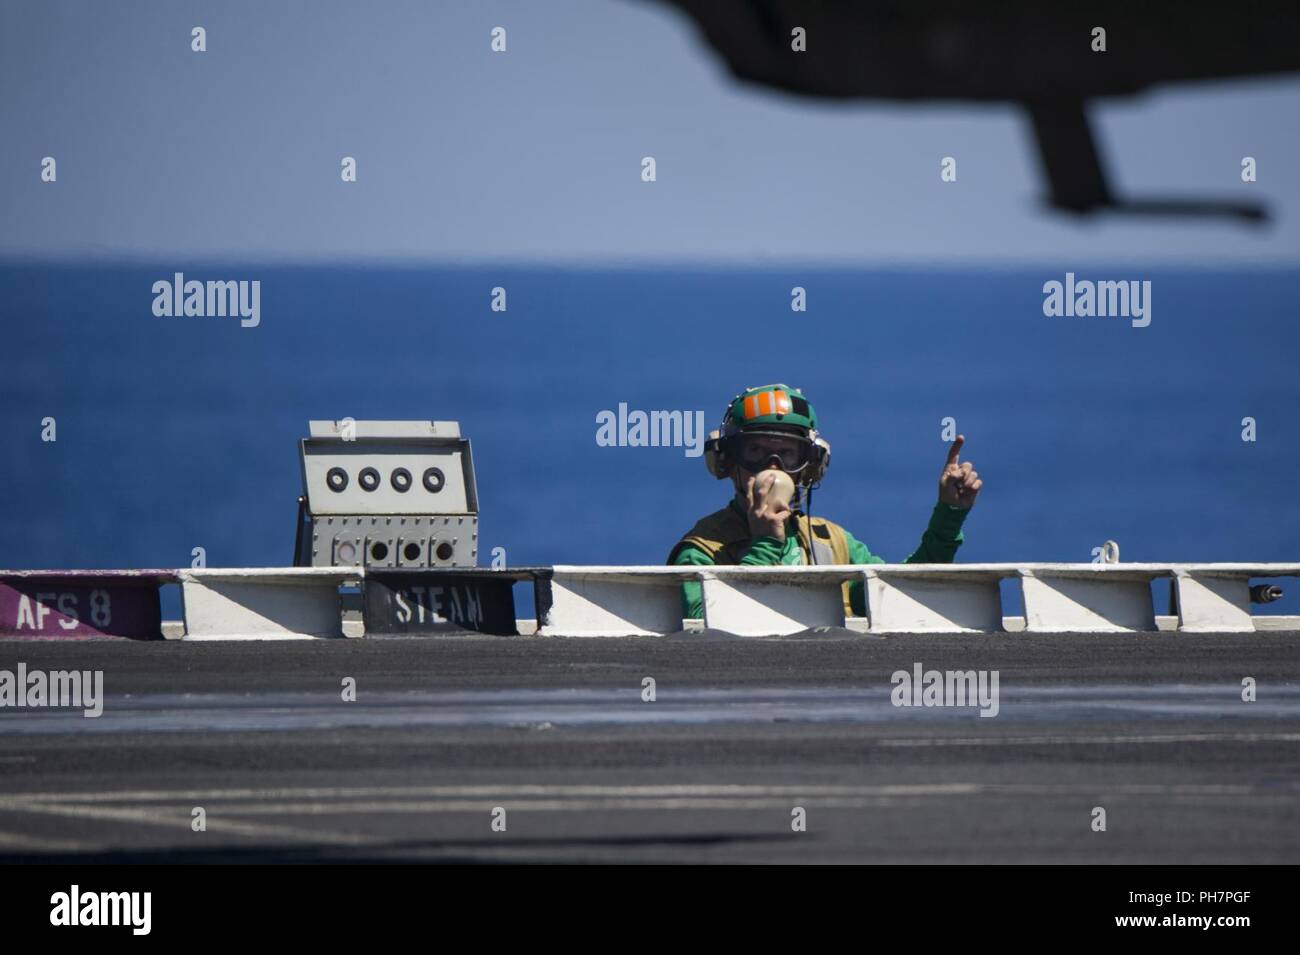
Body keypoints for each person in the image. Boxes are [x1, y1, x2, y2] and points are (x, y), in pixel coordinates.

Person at [667, 384, 982, 620]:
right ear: (727, 461)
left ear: (811, 466)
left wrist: (949, 514)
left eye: (788, 454)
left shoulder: (831, 543)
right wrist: (764, 545)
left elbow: (902, 597)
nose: (772, 466)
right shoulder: (700, 552)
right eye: (755, 452)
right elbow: (709, 630)